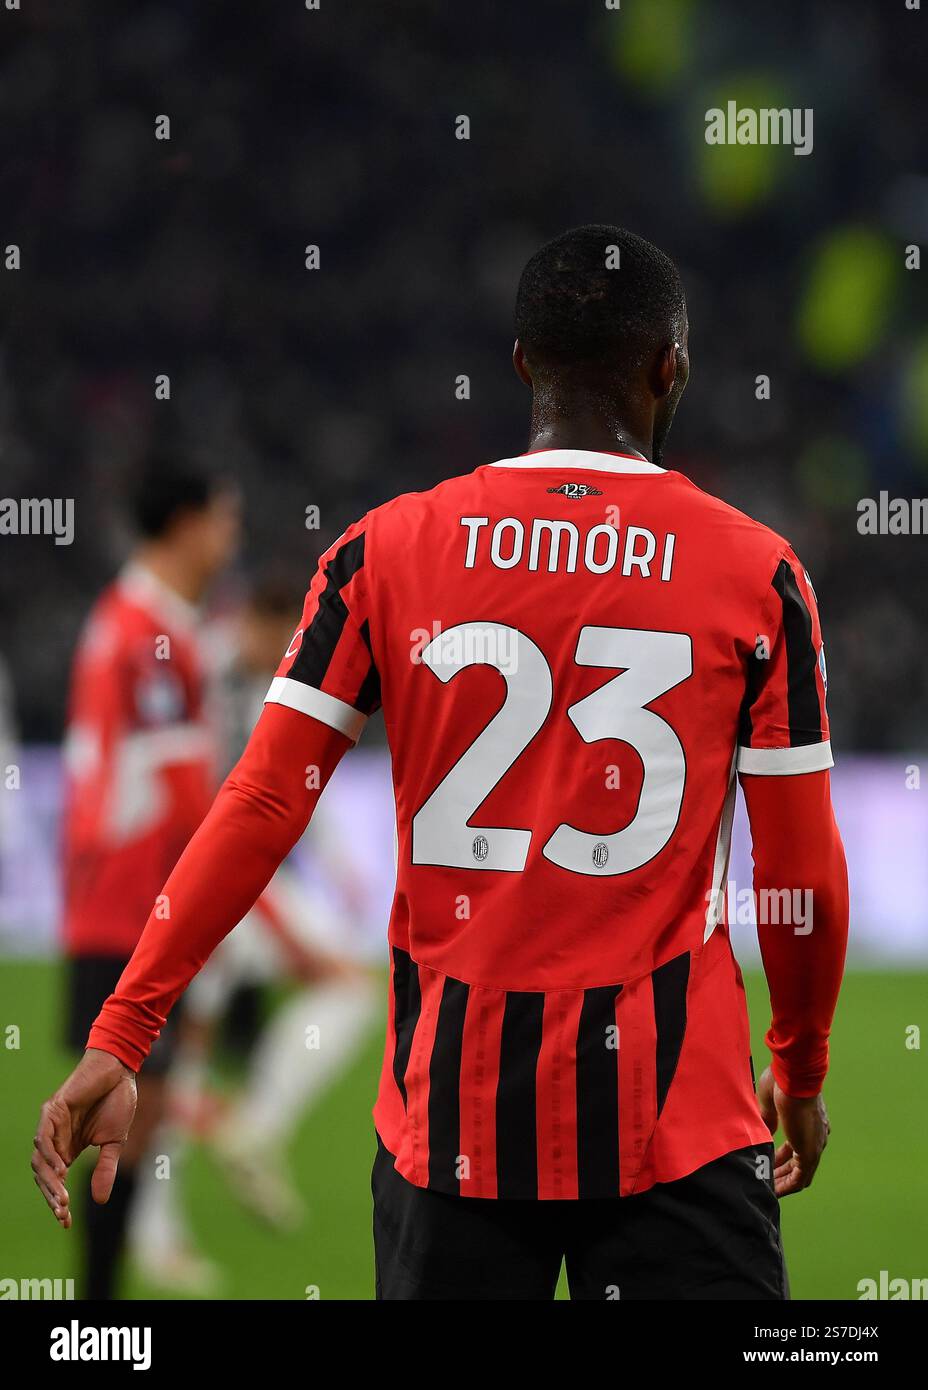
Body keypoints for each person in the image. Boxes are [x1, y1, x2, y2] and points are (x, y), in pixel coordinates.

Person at [33, 226, 849, 1301]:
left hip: (449, 1133)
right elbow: (802, 875)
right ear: (671, 366)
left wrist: (126, 1025)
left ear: (520, 365)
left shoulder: (382, 550)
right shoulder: (758, 574)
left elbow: (263, 798)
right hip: (679, 1129)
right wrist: (797, 1071)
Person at [56, 458, 240, 1297]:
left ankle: (100, 1313)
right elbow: (180, 798)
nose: (230, 536)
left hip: (111, 900)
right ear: (188, 524)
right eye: (223, 517)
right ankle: (94, 1322)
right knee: (125, 1125)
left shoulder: (120, 618)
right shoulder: (155, 635)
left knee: (132, 1124)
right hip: (138, 907)